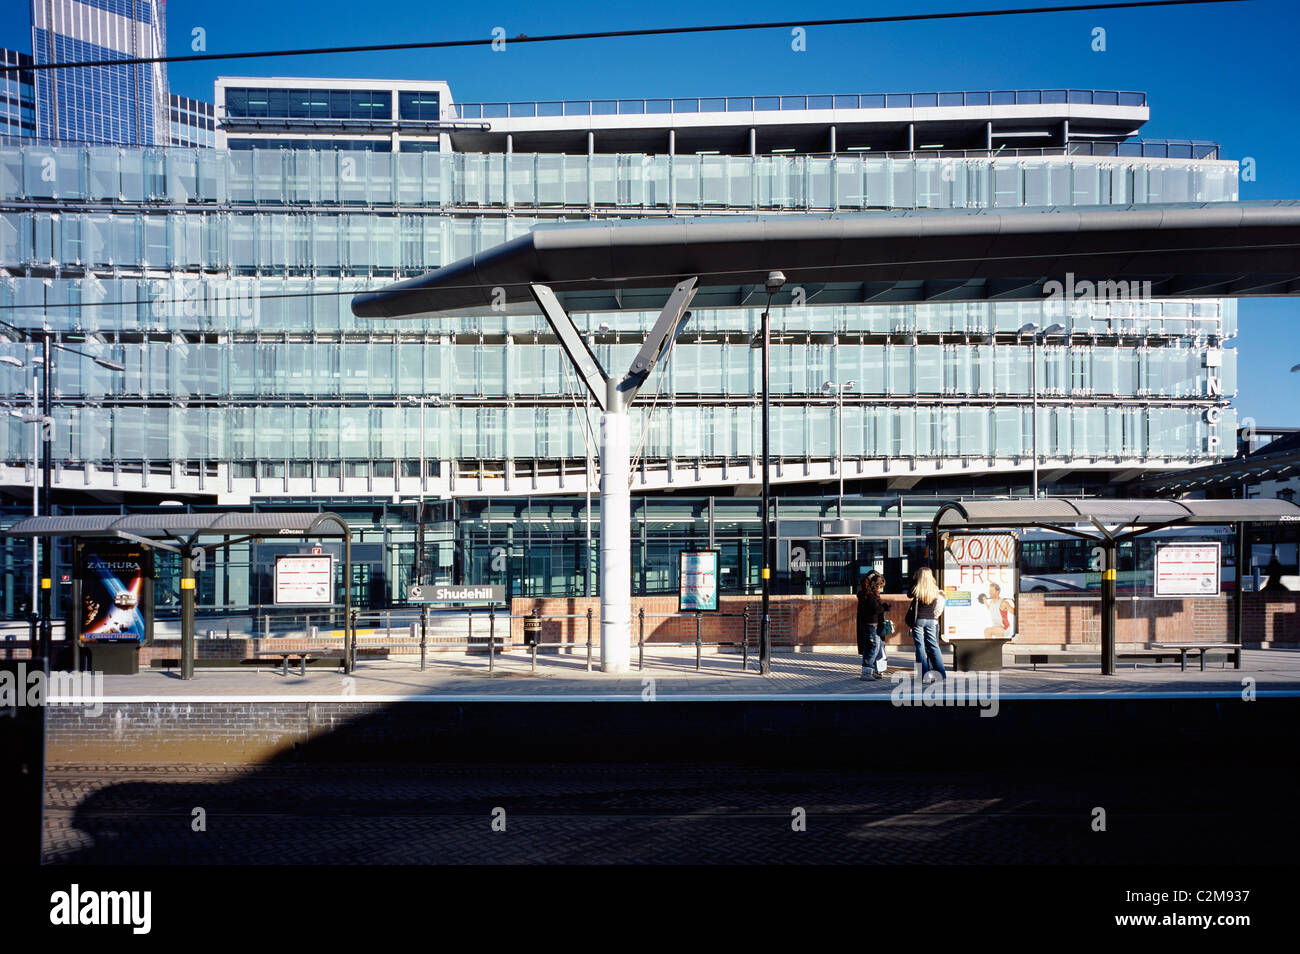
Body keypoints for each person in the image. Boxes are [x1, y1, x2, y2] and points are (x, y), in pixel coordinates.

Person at [908, 566, 947, 683]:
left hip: (918, 620)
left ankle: (923, 676)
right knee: (933, 646)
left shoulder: (916, 589)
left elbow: (908, 595)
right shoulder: (935, 589)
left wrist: (914, 579)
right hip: (931, 620)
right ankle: (941, 673)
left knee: (920, 647)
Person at [855, 570, 887, 681]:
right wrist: (885, 607)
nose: (881, 589)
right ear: (876, 586)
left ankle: (872, 670)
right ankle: (867, 671)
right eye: (880, 586)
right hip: (872, 625)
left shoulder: (867, 594)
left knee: (872, 647)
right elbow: (876, 609)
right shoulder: (871, 596)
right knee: (873, 647)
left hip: (870, 624)